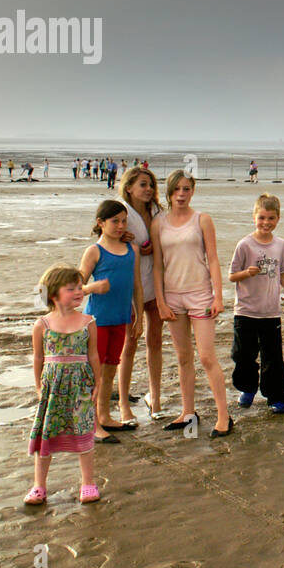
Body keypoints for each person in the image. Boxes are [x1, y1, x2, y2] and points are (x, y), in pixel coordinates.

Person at [153, 169, 233, 438]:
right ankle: (188, 412)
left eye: (186, 189)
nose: (181, 194)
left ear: (192, 191)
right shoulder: (158, 223)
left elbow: (212, 259)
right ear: (169, 192)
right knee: (183, 357)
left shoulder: (203, 220)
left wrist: (218, 296)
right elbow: (156, 266)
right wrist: (161, 302)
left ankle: (224, 416)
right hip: (173, 297)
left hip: (200, 295)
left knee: (207, 356)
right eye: (177, 189)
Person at [24, 264, 101, 506]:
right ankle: (39, 485)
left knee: (83, 434)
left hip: (81, 385)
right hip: (52, 387)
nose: (79, 292)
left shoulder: (88, 322)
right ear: (54, 294)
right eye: (71, 289)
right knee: (46, 435)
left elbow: (94, 355)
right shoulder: (42, 324)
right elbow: (38, 357)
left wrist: (97, 382)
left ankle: (88, 483)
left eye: (80, 287)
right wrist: (38, 386)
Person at [78, 200, 141, 442]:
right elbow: (78, 286)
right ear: (100, 223)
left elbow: (137, 285)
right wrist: (95, 286)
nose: (120, 225)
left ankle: (104, 416)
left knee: (111, 369)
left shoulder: (130, 249)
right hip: (98, 320)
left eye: (123, 221)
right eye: (115, 221)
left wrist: (138, 318)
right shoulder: (94, 251)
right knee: (95, 373)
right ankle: (92, 423)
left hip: (122, 318)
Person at [228, 194, 284, 413]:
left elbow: (282, 273)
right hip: (246, 311)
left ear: (278, 219)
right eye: (262, 218)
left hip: (271, 313)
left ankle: (276, 398)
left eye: (271, 218)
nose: (266, 223)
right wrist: (246, 272)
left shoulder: (281, 245)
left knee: (273, 358)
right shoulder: (244, 245)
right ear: (254, 217)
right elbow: (231, 276)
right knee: (243, 355)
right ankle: (248, 388)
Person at [117, 166, 168, 422]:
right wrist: (125, 240)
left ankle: (155, 396)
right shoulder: (121, 211)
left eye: (150, 185)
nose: (148, 190)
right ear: (129, 187)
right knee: (130, 342)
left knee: (155, 340)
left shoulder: (158, 212)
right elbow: (102, 234)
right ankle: (124, 403)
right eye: (142, 185)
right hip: (131, 284)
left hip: (157, 281)